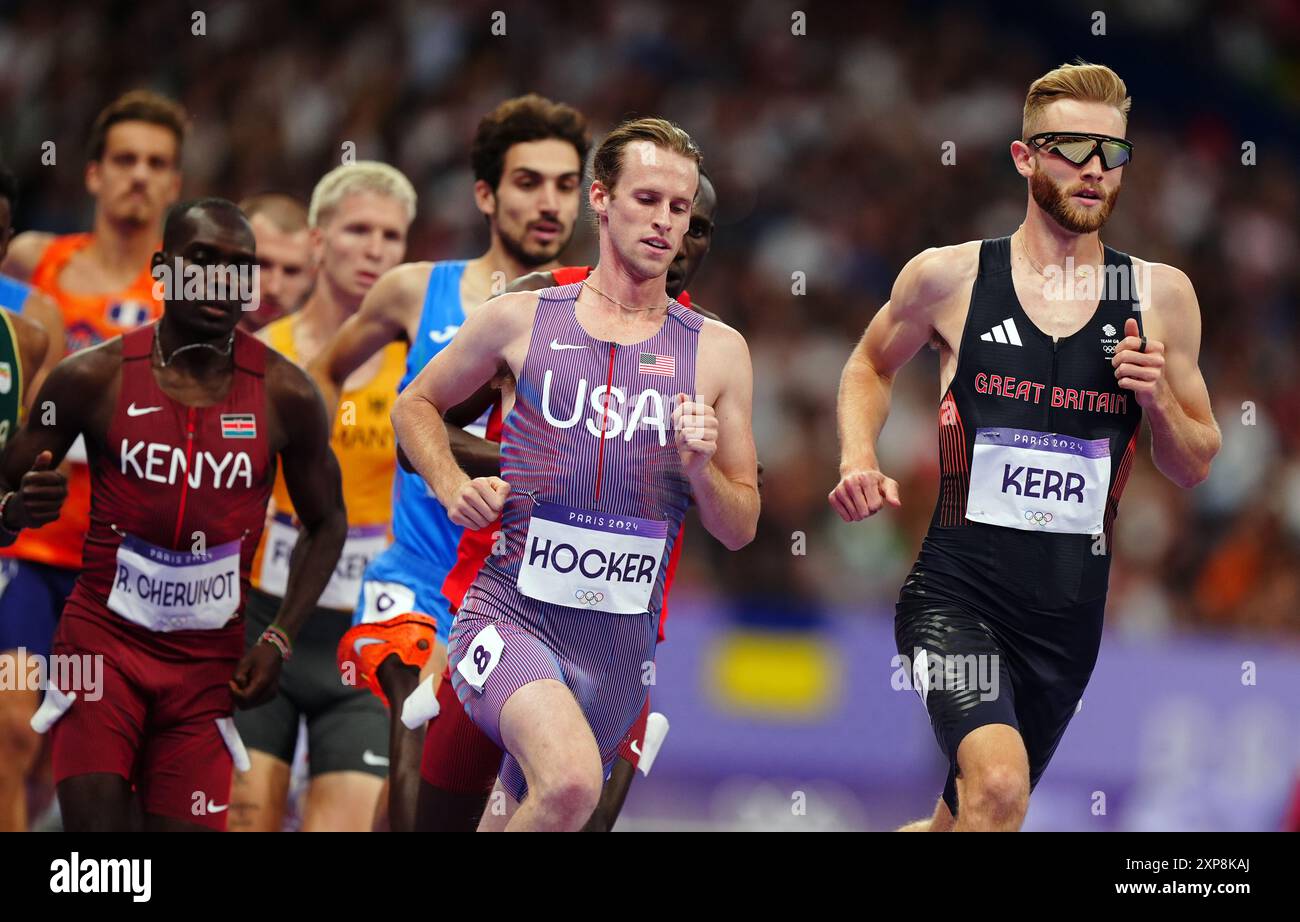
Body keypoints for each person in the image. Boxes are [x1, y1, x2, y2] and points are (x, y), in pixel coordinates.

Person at [829, 62, 1221, 832]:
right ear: (1024, 157)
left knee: (968, 819)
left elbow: (1194, 461)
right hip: (956, 596)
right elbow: (868, 364)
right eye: (1072, 150)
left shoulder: (1156, 295)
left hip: (1069, 620)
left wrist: (1157, 398)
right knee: (1001, 788)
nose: (1093, 171)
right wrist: (856, 457)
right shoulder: (952, 277)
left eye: (1112, 154)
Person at [393, 116, 759, 831]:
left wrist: (698, 466)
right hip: (509, 612)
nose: (665, 223)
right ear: (600, 199)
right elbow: (415, 406)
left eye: (680, 210)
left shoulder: (720, 352)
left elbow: (740, 526)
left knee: (542, 813)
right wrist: (449, 485)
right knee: (566, 785)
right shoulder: (521, 317)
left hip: (621, 649)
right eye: (646, 200)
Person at [1, 198, 346, 831]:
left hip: (208, 669)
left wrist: (279, 635)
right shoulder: (91, 378)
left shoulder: (287, 394)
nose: (222, 280)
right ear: (163, 269)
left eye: (240, 266)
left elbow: (328, 525)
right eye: (203, 260)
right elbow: (3, 494)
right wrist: (16, 509)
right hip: (101, 652)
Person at [312, 94, 590, 829]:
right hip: (419, 588)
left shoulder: (592, 317)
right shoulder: (414, 290)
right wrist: (312, 498)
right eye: (529, 182)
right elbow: (319, 376)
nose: (550, 204)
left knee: (494, 810)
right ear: (486, 194)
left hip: (525, 604)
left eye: (566, 185)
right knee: (413, 782)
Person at [0, 90, 184, 831]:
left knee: (93, 759)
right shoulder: (34, 259)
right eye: (125, 160)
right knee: (13, 729)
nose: (140, 176)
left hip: (132, 559)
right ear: (93, 175)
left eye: (158, 164)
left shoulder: (189, 291)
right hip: (36, 550)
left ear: (175, 183)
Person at [232, 164, 415, 832]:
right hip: (259, 617)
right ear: (317, 242)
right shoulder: (255, 354)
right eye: (358, 230)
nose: (376, 249)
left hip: (367, 635)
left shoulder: (423, 367)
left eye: (392, 236)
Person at [237, 194, 316, 333]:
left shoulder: (327, 352)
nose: (274, 289)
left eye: (291, 271)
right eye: (261, 265)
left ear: (311, 275)